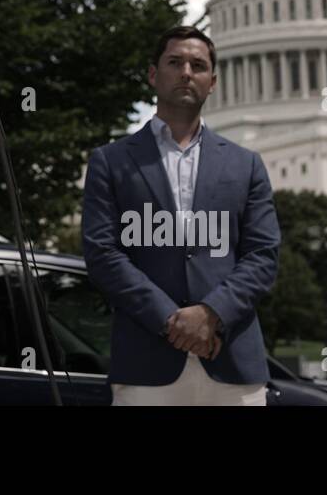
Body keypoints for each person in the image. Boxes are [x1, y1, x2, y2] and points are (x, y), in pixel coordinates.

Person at [81, 26, 280, 405]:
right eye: (175, 62)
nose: (186, 72)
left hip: (231, 361)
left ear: (212, 82)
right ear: (153, 74)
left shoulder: (246, 164)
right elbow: (102, 255)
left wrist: (211, 313)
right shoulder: (111, 161)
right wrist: (172, 321)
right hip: (147, 364)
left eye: (198, 65)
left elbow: (263, 255)